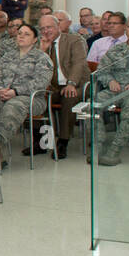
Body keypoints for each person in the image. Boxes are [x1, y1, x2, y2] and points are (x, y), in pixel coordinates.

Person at [0, 23, 53, 169]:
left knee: (13, 106)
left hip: (31, 99)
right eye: (19, 33)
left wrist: (15, 91)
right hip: (4, 94)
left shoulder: (42, 58)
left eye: (26, 34)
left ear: (35, 39)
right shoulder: (8, 55)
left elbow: (41, 82)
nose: (21, 36)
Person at [93, 15, 129, 166]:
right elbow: (102, 71)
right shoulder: (117, 50)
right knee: (93, 105)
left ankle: (114, 150)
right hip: (116, 90)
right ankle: (97, 147)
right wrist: (110, 81)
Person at [31, 12, 88, 159]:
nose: (46, 31)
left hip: (78, 85)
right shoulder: (40, 45)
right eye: (42, 28)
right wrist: (42, 51)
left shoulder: (74, 40)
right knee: (38, 98)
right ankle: (42, 142)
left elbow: (78, 63)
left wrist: (71, 83)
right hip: (55, 87)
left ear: (58, 27)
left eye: (49, 27)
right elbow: (33, 68)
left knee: (68, 97)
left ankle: (63, 141)